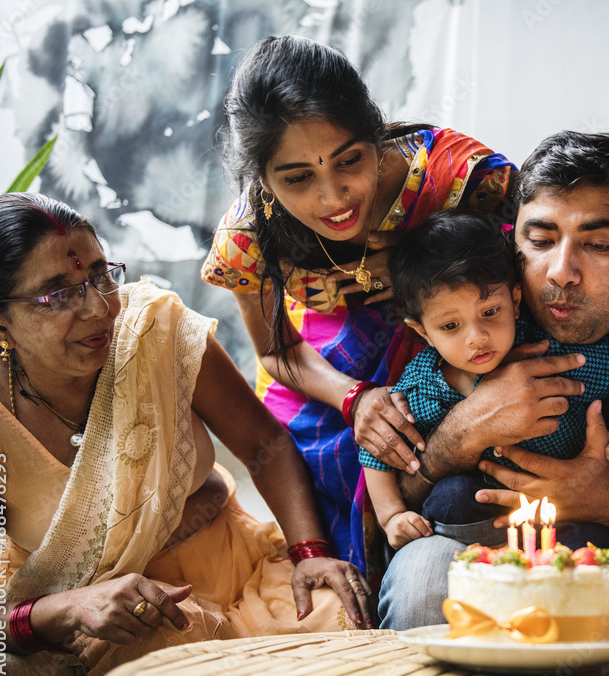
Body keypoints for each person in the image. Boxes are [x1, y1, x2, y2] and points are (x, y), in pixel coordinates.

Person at [0, 194, 372, 676]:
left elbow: (262, 443)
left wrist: (309, 553)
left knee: (341, 632)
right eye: (58, 294)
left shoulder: (154, 332)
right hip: (102, 623)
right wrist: (64, 609)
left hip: (238, 578)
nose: (99, 309)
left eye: (100, 275)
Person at [378, 132, 609, 643]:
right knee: (420, 584)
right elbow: (402, 492)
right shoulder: (464, 305)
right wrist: (464, 430)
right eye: (540, 241)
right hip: (478, 532)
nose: (562, 272)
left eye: (600, 245)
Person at [200, 36, 514, 580]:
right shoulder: (248, 240)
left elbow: (521, 284)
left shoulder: (460, 176)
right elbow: (277, 352)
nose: (334, 197)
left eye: (351, 161)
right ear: (263, 179)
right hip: (324, 374)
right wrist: (355, 399)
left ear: (376, 136)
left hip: (458, 346)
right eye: (298, 178)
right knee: (332, 512)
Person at [359, 209, 609, 551]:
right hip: (479, 519)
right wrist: (391, 515)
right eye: (450, 326)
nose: (477, 337)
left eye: (489, 312)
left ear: (514, 301)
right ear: (421, 331)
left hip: (563, 516)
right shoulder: (424, 385)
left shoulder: (548, 356)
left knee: (598, 542)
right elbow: (376, 453)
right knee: (450, 497)